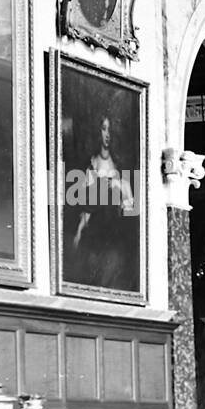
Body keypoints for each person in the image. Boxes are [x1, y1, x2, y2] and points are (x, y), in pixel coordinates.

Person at [64, 111, 139, 291]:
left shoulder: (121, 167)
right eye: (104, 129)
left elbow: (130, 212)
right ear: (97, 132)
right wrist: (78, 233)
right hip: (91, 239)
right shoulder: (88, 165)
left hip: (114, 239)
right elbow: (81, 209)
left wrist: (124, 192)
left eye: (111, 130)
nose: (108, 135)